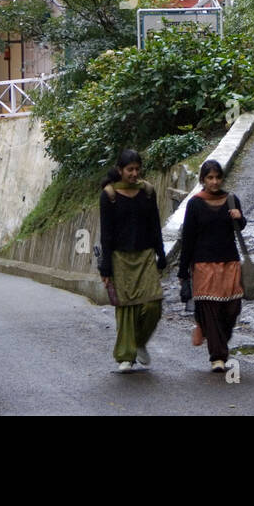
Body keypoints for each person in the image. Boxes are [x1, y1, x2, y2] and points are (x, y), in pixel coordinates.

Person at [97, 149, 166, 373]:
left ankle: (139, 342)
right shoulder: (109, 195)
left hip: (145, 255)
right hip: (120, 257)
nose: (134, 174)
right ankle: (125, 356)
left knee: (153, 303)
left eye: (137, 169)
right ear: (120, 170)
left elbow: (155, 224)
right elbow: (106, 234)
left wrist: (161, 252)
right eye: (130, 170)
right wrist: (105, 266)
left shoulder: (147, 191)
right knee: (126, 308)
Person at [178, 159, 246, 372]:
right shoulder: (195, 203)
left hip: (229, 262)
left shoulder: (231, 200)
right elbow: (187, 238)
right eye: (210, 178)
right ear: (202, 180)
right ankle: (218, 356)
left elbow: (240, 226)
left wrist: (240, 218)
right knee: (211, 309)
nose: (214, 182)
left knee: (232, 308)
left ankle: (212, 335)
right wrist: (183, 272)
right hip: (203, 265)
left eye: (217, 177)